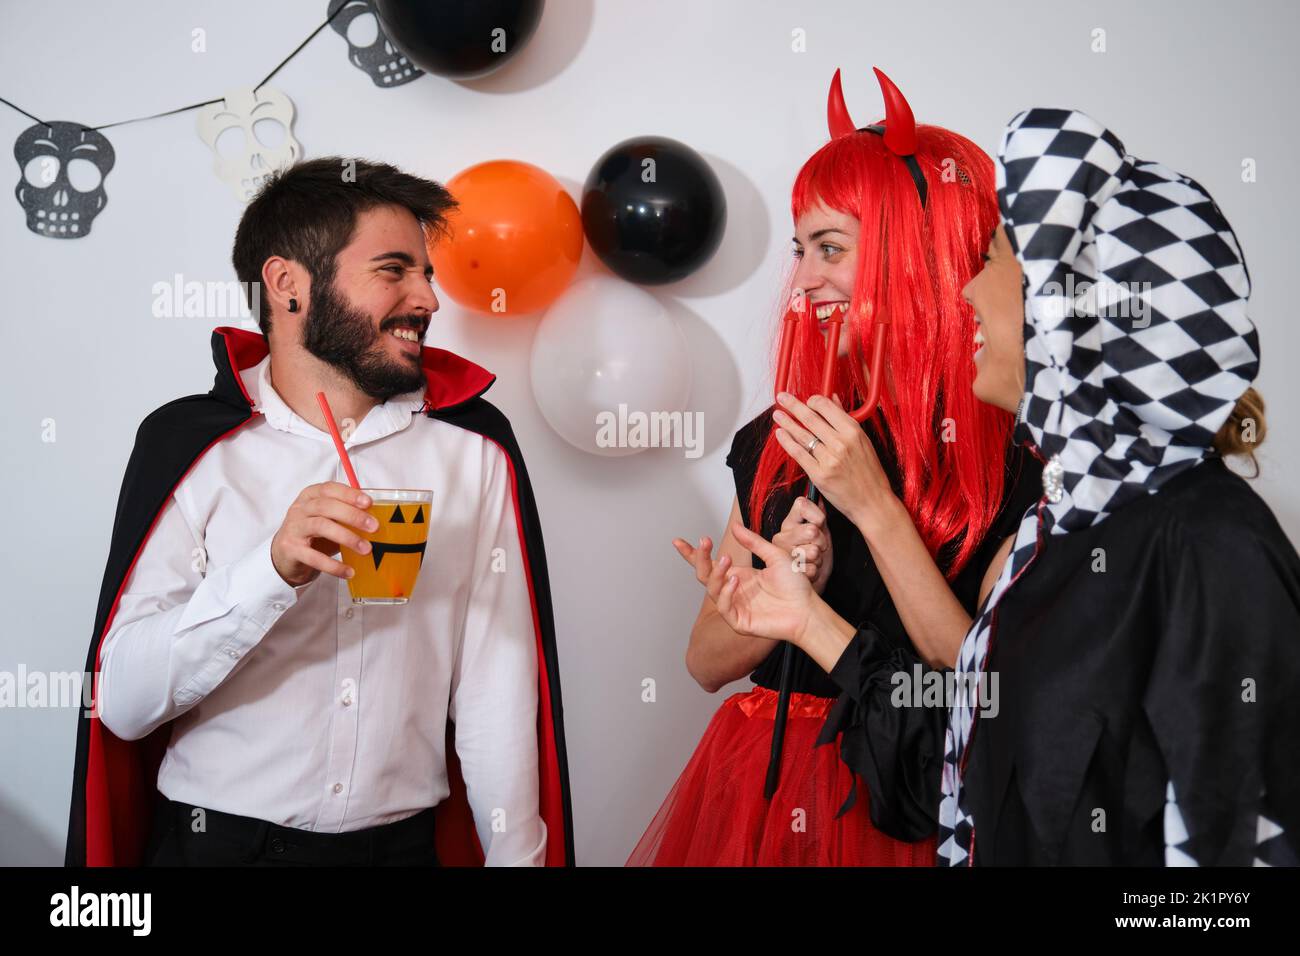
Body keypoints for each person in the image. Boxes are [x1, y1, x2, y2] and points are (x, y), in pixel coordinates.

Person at [65, 157, 574, 867]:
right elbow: (121, 701)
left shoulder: (473, 449)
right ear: (288, 284)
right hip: (216, 846)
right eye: (394, 270)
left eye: (426, 273)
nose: (428, 298)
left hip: (400, 851)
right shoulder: (192, 447)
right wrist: (268, 573)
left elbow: (498, 684)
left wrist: (518, 859)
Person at [627, 69, 1041, 866]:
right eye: (800, 249)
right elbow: (705, 664)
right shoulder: (780, 437)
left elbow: (977, 676)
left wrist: (875, 507)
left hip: (904, 787)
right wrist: (778, 584)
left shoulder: (1017, 456)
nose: (803, 279)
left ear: (913, 255)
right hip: (762, 784)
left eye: (830, 249)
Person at [937, 107, 1300, 865]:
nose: (969, 291)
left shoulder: (1212, 546)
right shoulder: (1052, 533)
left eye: (996, 256)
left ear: (1078, 308)